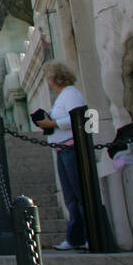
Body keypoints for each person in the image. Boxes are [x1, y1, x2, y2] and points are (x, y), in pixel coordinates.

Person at [35, 61, 89, 251]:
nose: (47, 82)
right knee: (71, 197)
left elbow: (78, 117)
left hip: (71, 149)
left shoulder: (71, 94)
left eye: (48, 77)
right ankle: (76, 237)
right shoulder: (64, 96)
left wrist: (53, 124)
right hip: (62, 150)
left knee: (79, 194)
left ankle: (88, 235)